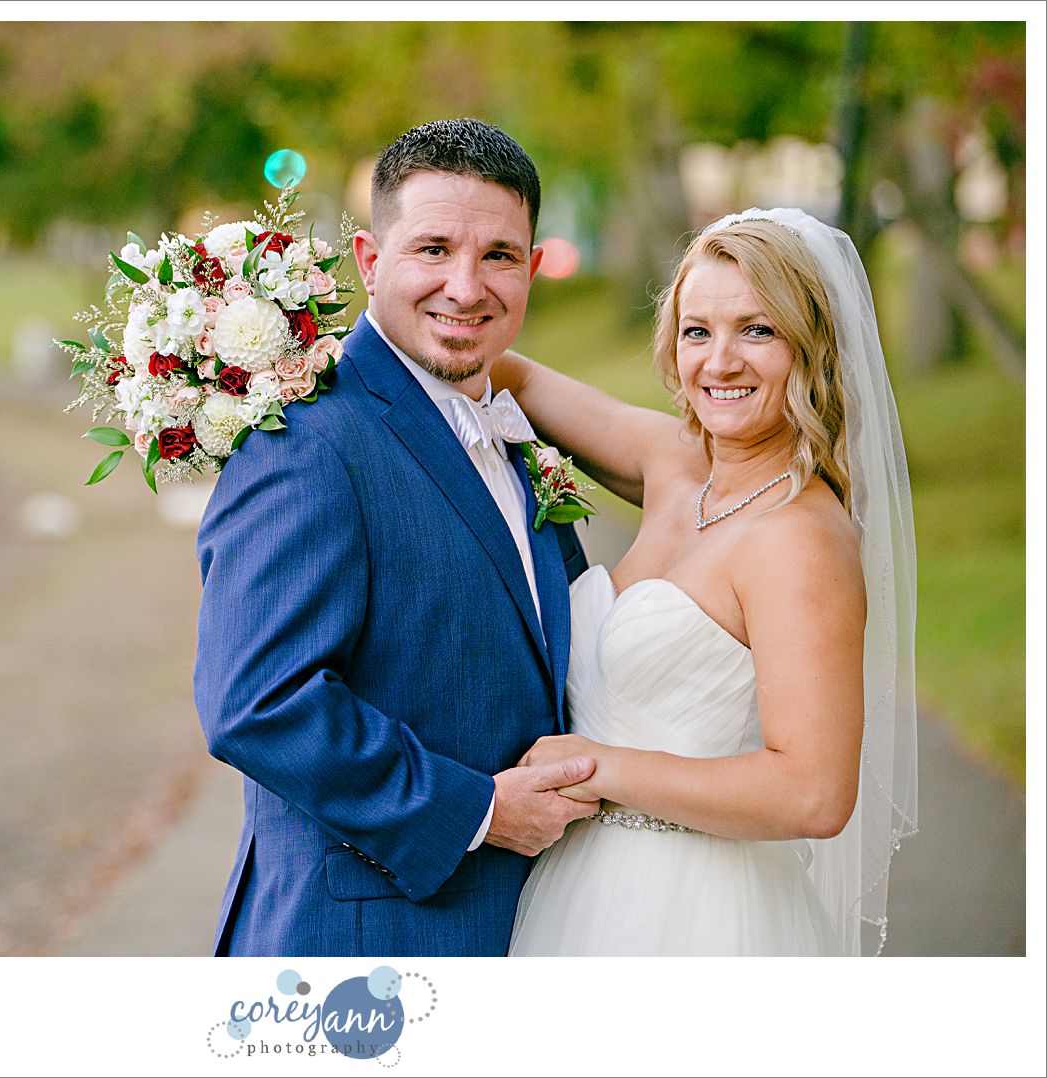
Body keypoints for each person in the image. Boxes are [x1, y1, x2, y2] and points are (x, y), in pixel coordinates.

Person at [193, 119, 598, 956]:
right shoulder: (307, 440)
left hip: (521, 928)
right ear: (371, 264)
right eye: (433, 249)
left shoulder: (518, 437)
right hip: (360, 942)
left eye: (497, 256)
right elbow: (257, 702)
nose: (466, 285)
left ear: (529, 268)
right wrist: (478, 812)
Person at [498, 208, 919, 956]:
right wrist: (297, 359)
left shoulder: (799, 541)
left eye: (755, 330)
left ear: (811, 347)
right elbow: (515, 375)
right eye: (697, 331)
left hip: (696, 912)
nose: (719, 362)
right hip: (577, 889)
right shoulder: (677, 464)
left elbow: (813, 794)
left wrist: (597, 766)